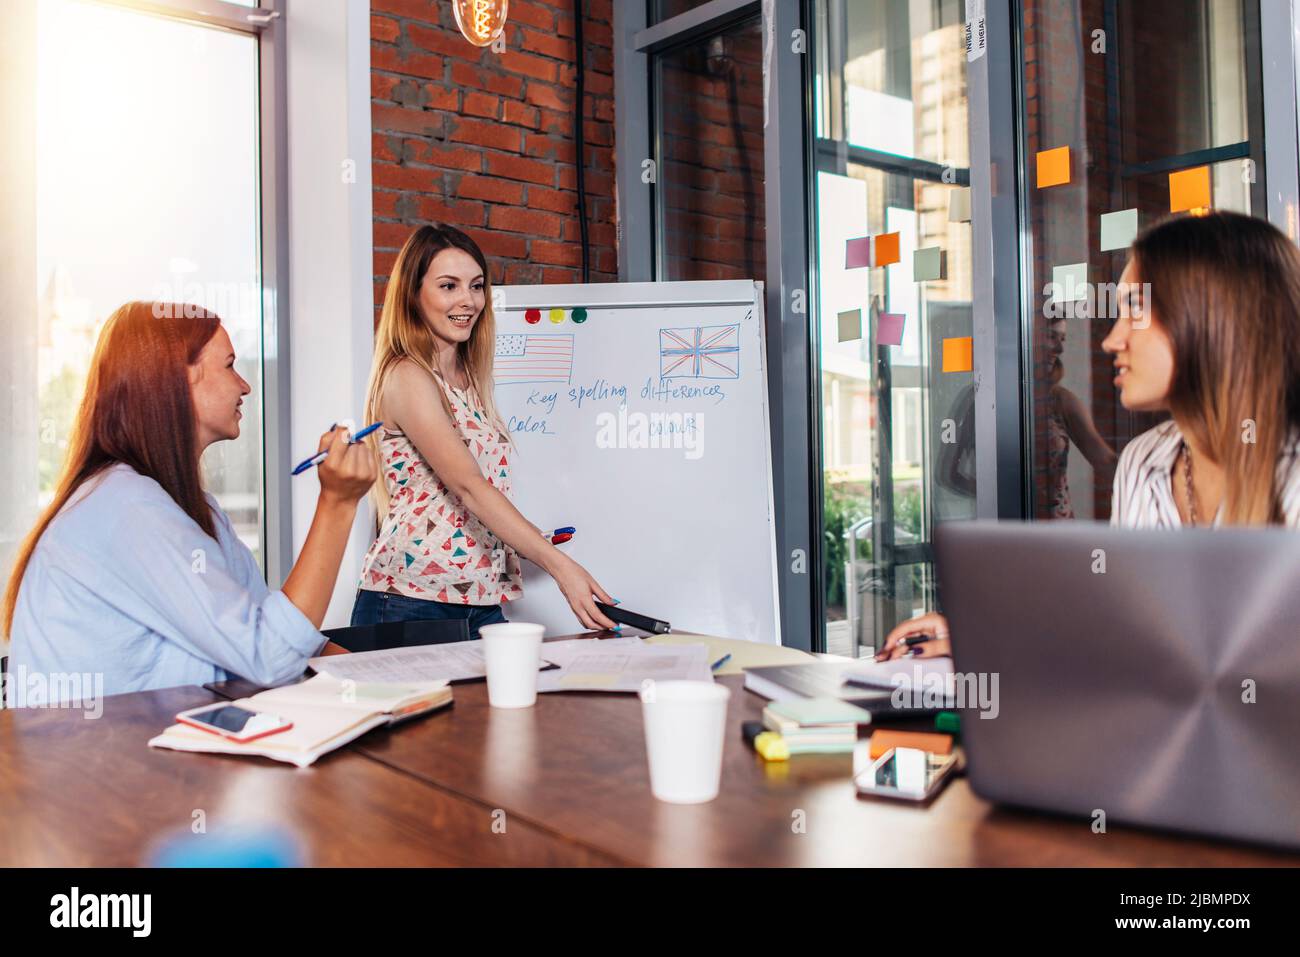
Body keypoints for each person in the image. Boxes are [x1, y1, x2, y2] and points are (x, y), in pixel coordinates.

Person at [878, 211, 1300, 661]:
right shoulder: (1142, 461)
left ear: (1215, 316)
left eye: (1135, 310)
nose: (1111, 340)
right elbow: (1128, 636)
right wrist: (989, 633)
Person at [2, 301, 377, 700]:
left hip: (157, 739)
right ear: (179, 380)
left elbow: (280, 631)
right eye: (230, 365)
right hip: (97, 755)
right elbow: (270, 655)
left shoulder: (196, 509)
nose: (244, 385)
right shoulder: (126, 508)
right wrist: (337, 504)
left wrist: (375, 683)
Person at [350, 225, 616, 637]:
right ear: (413, 295)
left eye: (476, 286)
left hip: (478, 597)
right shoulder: (407, 375)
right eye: (448, 286)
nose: (468, 301)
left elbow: (452, 500)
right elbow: (470, 487)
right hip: (411, 598)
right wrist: (561, 567)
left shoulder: (468, 379)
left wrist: (522, 539)